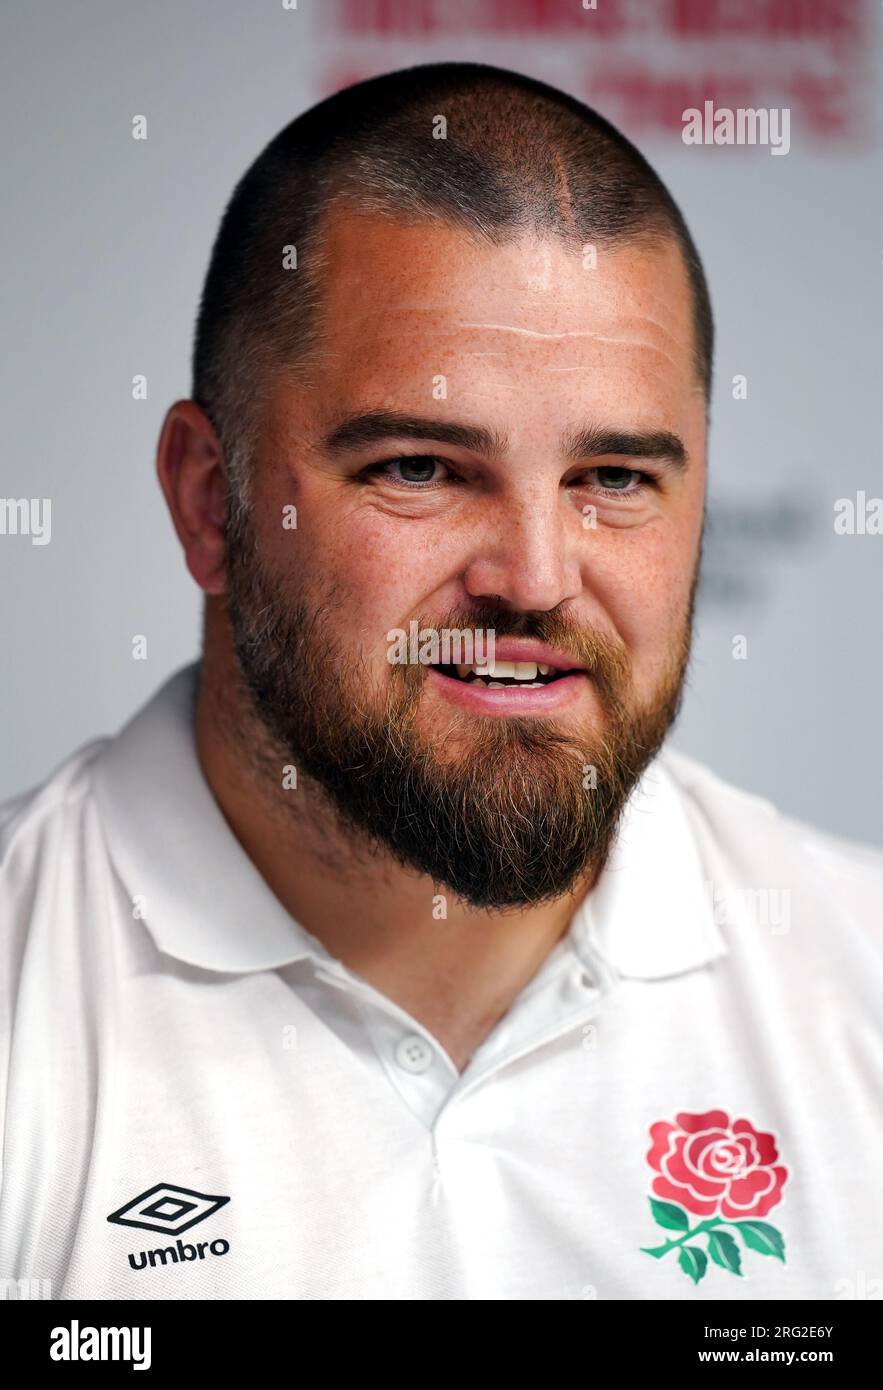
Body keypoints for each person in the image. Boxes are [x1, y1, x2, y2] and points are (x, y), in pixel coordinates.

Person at [1, 63, 881, 1302]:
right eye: (420, 466)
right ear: (213, 501)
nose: (533, 578)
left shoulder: (859, 984)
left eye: (616, 478)